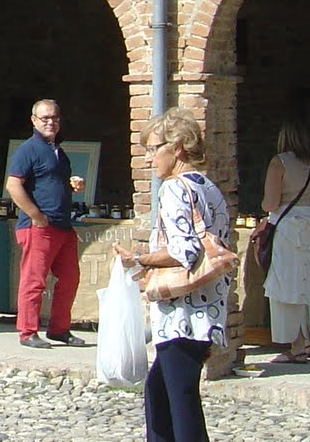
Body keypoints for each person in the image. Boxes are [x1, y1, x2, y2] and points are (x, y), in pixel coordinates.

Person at [115, 107, 232, 442]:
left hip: (184, 313)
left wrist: (140, 258)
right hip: (207, 308)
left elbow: (185, 251)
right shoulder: (208, 187)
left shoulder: (173, 189)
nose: (148, 158)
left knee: (180, 402)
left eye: (153, 149)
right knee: (160, 393)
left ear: (177, 147)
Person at [3, 97, 87, 349]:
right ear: (34, 120)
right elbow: (13, 185)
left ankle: (59, 329)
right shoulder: (27, 150)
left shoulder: (58, 152)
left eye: (55, 118)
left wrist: (72, 186)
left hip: (62, 225)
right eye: (45, 118)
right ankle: (27, 332)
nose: (50, 122)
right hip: (39, 227)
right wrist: (36, 216)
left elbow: (49, 184)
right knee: (34, 281)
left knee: (70, 279)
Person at [260, 120, 310, 364]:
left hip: (290, 229)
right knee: (308, 282)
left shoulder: (279, 162)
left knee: (287, 286)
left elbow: (270, 203)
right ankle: (307, 340)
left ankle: (297, 345)